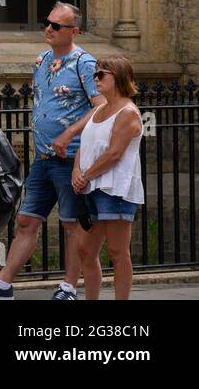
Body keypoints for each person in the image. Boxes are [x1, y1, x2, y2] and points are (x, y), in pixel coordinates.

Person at [0, 1, 104, 300]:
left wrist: (70, 132)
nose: (48, 28)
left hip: (71, 158)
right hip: (43, 158)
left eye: (56, 26)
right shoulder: (42, 59)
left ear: (74, 31)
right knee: (26, 220)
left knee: (72, 225)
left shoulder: (85, 63)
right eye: (47, 22)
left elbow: (101, 107)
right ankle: (3, 283)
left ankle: (68, 288)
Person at [73, 55, 144, 301]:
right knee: (86, 250)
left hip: (116, 189)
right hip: (92, 187)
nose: (96, 78)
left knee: (117, 251)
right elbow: (85, 145)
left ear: (119, 77)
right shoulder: (99, 109)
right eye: (95, 73)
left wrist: (85, 175)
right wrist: (77, 172)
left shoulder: (128, 112)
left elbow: (114, 153)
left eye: (102, 73)